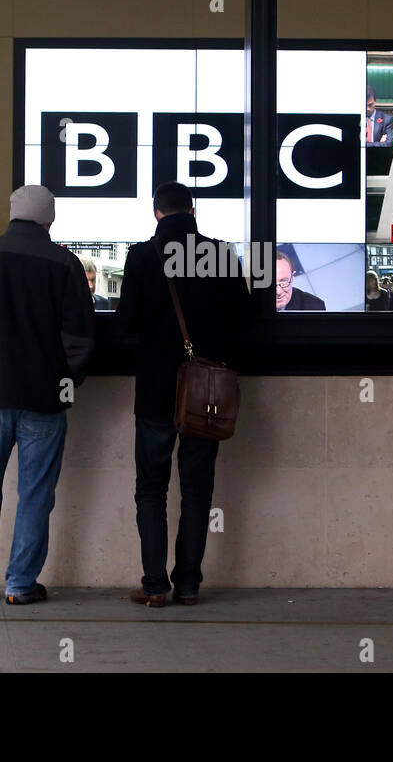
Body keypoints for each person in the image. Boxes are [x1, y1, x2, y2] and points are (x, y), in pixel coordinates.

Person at [0, 185, 95, 604]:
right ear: (48, 219)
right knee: (35, 495)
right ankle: (19, 585)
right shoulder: (64, 263)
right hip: (45, 401)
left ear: (13, 214)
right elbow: (81, 339)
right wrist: (68, 381)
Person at [116, 182, 253, 607]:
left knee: (151, 488)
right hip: (206, 393)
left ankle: (155, 585)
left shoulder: (141, 256)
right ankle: (189, 584)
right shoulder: (220, 254)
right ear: (191, 211)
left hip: (157, 393)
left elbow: (125, 326)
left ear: (156, 213)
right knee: (197, 488)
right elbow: (245, 322)